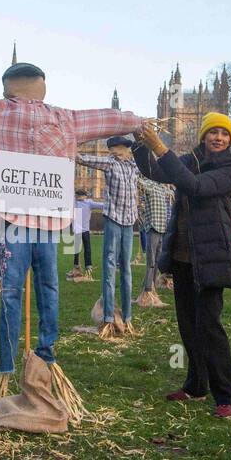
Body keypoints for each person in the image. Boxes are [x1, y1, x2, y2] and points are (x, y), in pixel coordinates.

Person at [0, 62, 147, 387]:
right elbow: (107, 118)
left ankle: (6, 370)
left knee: (12, 292)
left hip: (12, 223)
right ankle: (45, 357)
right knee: (49, 289)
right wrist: (140, 122)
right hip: (47, 225)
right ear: (41, 86)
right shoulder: (65, 118)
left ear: (7, 88)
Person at [133, 113, 231, 418]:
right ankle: (196, 385)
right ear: (204, 136)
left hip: (211, 255)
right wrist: (140, 143)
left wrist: (160, 147)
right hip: (183, 256)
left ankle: (228, 395)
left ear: (230, 140)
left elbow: (194, 186)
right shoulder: (191, 159)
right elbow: (154, 172)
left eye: (225, 134)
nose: (218, 138)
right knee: (188, 325)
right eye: (214, 132)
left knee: (209, 327)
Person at [77, 137, 141, 333]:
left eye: (115, 148)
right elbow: (84, 159)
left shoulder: (135, 168)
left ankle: (127, 318)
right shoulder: (110, 163)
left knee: (126, 269)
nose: (112, 152)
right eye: (111, 149)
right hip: (113, 219)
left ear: (126, 149)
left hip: (129, 222)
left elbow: (152, 171)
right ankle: (108, 317)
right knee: (109, 267)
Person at [136, 177, 173, 305]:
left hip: (163, 229)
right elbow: (139, 182)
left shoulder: (165, 189)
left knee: (157, 261)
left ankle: (153, 290)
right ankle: (147, 290)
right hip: (153, 228)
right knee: (151, 262)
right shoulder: (150, 185)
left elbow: (172, 198)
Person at [68, 189, 103, 280]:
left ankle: (87, 269)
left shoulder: (88, 203)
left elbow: (102, 205)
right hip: (78, 230)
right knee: (78, 251)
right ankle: (77, 269)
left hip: (84, 230)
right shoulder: (75, 202)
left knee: (85, 250)